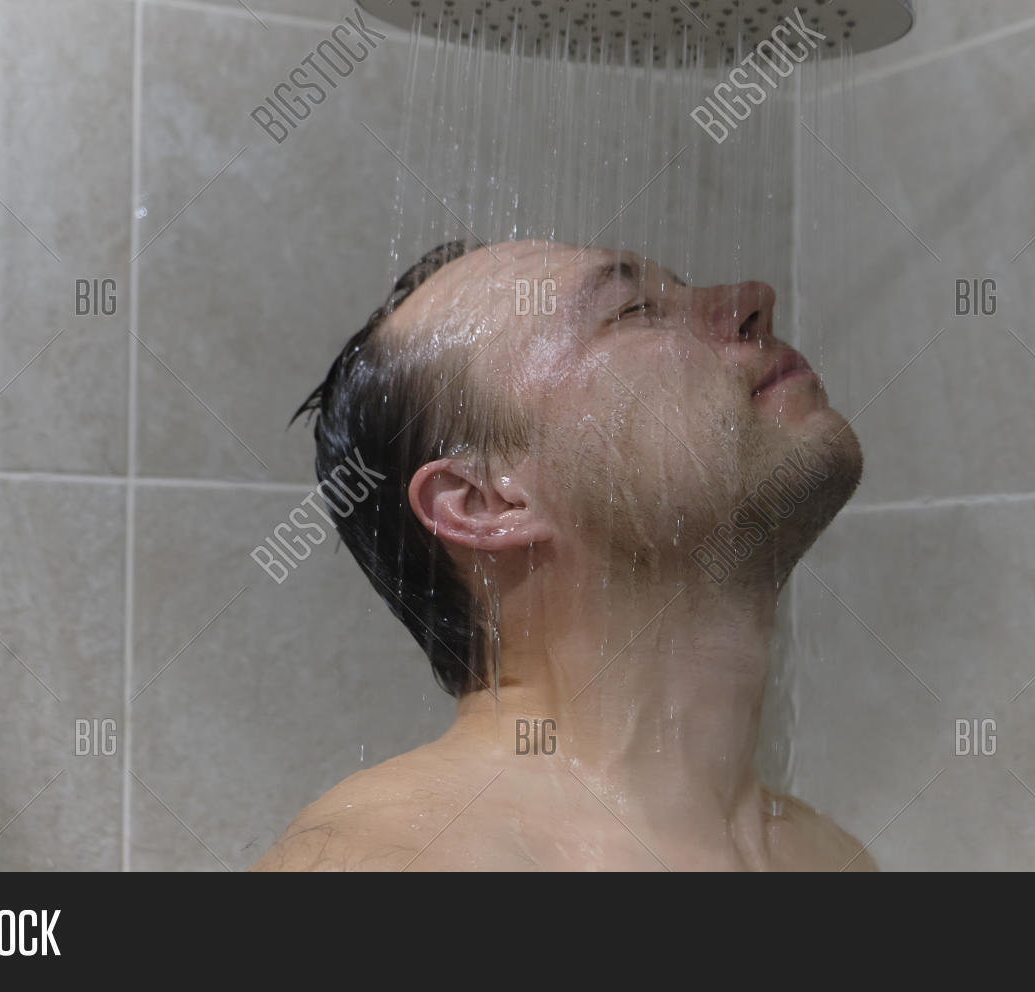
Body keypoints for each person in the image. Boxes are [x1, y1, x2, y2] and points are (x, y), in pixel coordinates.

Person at [253, 238, 873, 870]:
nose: (752, 301)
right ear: (485, 500)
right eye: (633, 310)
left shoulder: (828, 856)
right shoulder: (391, 859)